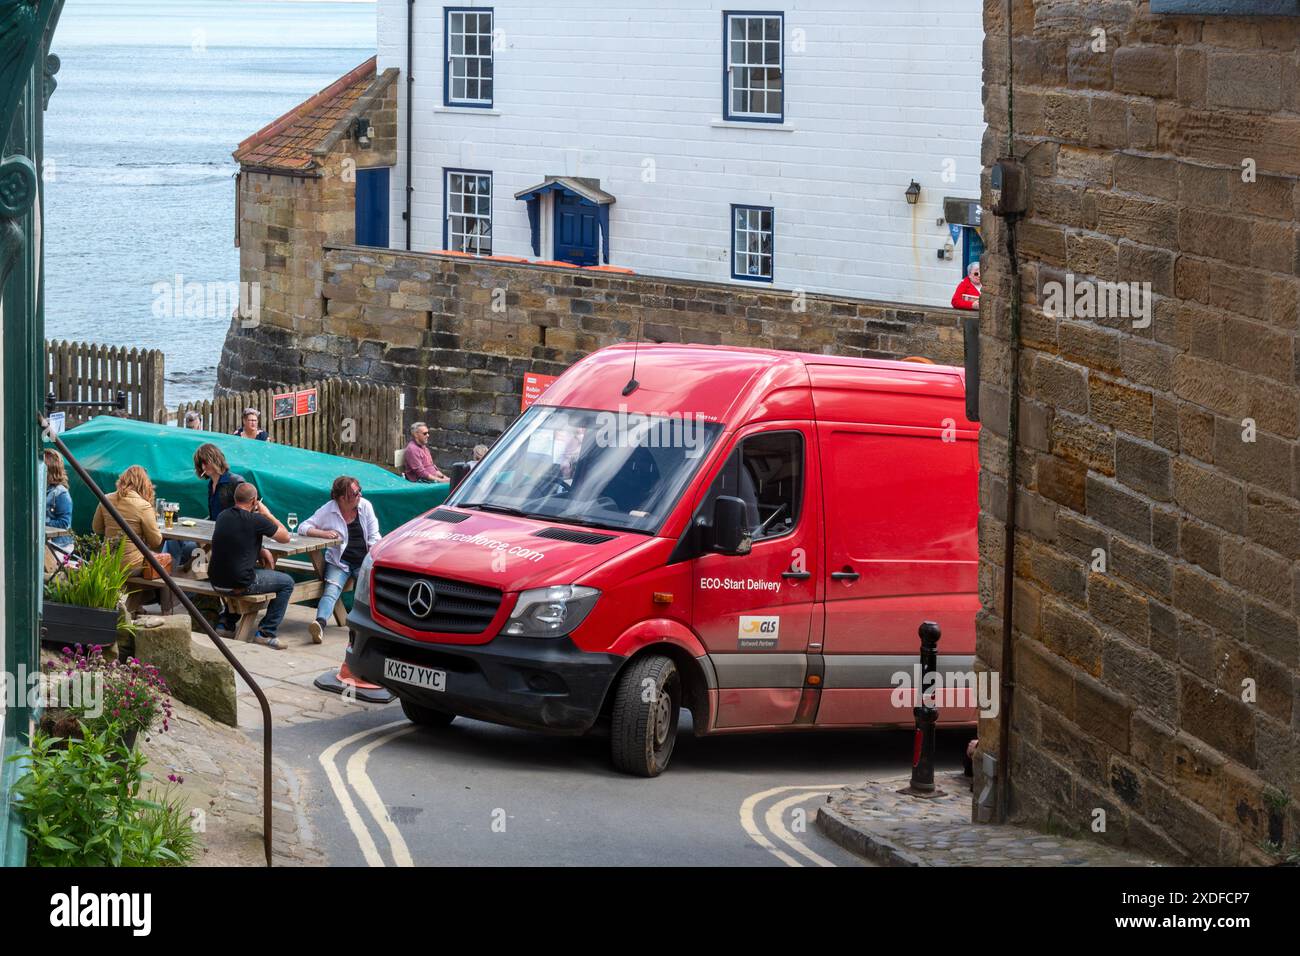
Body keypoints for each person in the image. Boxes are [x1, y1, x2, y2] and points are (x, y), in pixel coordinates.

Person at [207, 482, 293, 649]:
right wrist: (268, 514)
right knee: (287, 583)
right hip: (239, 583)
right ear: (254, 501)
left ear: (235, 498)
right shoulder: (257, 520)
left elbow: (237, 540)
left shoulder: (223, 516)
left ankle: (226, 624)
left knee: (238, 570)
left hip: (215, 581)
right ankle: (266, 633)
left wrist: (261, 549)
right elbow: (285, 537)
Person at [299, 476, 381, 643]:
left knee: (368, 587)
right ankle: (319, 624)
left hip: (362, 561)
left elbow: (374, 536)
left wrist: (371, 560)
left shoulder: (365, 506)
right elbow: (303, 527)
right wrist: (322, 533)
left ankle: (366, 628)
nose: (360, 494)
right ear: (343, 498)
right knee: (331, 590)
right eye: (355, 492)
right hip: (339, 562)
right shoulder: (329, 510)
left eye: (359, 491)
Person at [91, 465, 166, 575]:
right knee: (164, 564)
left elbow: (97, 529)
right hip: (131, 565)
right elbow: (155, 541)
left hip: (105, 562)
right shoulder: (144, 506)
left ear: (122, 480)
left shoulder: (106, 499)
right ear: (144, 484)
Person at [43, 449, 74, 555]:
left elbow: (64, 523)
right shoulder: (40, 490)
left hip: (59, 546)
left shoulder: (61, 493)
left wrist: (39, 523)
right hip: (44, 544)